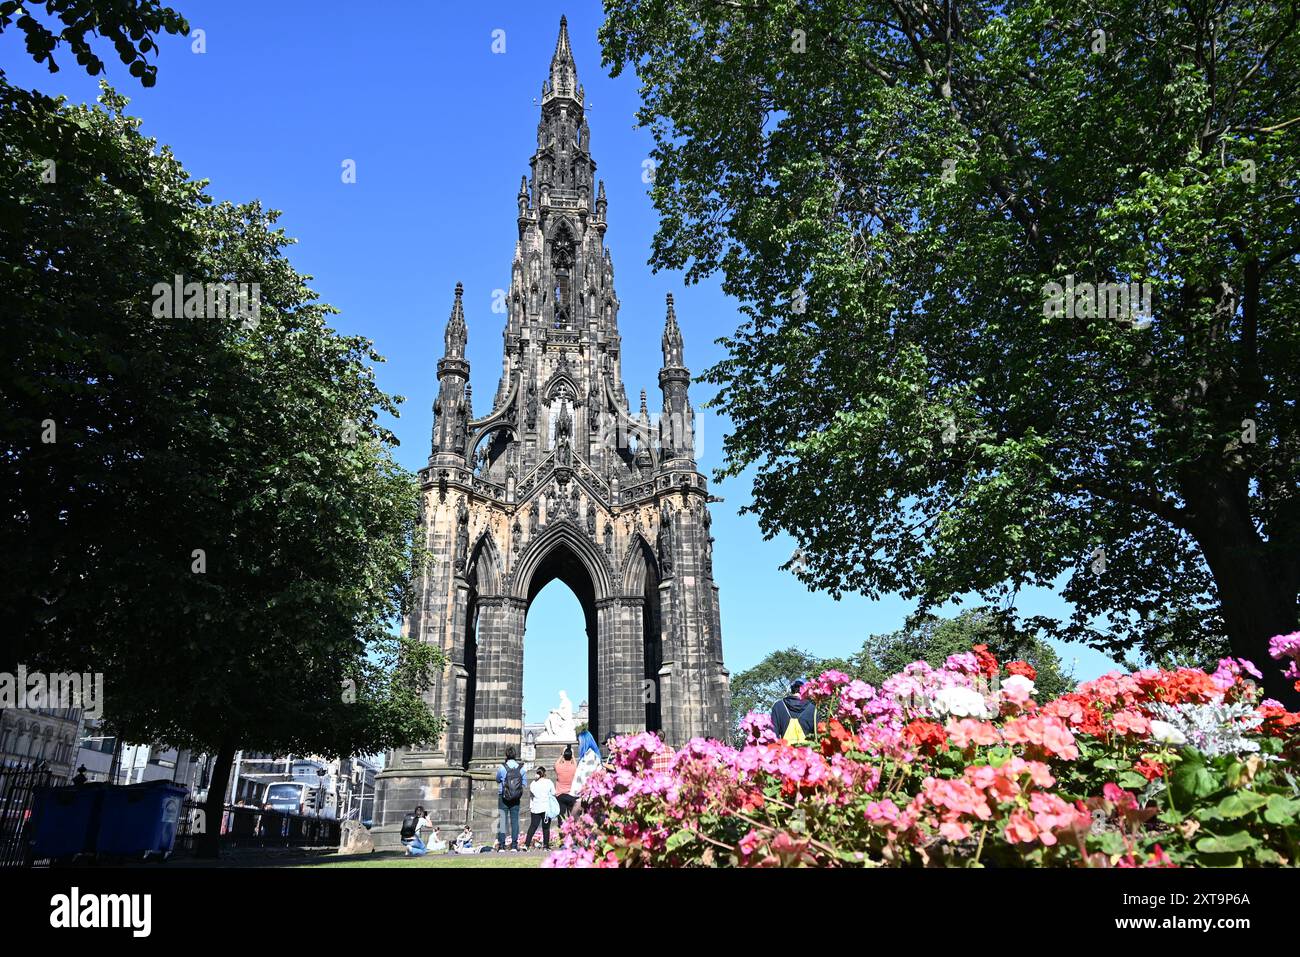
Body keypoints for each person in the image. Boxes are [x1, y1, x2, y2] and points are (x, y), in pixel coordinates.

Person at [495, 745, 527, 851]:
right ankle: (514, 845)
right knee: (514, 821)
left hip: (503, 796)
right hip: (516, 797)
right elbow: (524, 783)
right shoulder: (521, 768)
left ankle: (502, 845)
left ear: (506, 755)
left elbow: (497, 779)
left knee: (503, 820)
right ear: (515, 755)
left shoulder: (502, 768)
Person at [524, 767, 557, 850]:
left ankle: (526, 844)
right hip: (546, 807)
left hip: (535, 807)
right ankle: (546, 846)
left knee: (533, 826)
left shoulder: (533, 783)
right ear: (544, 773)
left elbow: (531, 796)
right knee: (546, 828)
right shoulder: (548, 782)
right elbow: (553, 793)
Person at [570, 729, 603, 798]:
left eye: (579, 743)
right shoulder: (587, 756)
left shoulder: (590, 756)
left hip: (585, 796)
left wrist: (581, 796)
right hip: (582, 795)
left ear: (584, 743)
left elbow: (586, 778)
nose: (579, 746)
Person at [553, 745, 577, 821]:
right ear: (571, 757)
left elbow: (556, 764)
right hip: (571, 794)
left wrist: (562, 755)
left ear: (564, 756)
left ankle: (561, 826)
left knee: (561, 815)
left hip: (560, 794)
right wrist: (573, 755)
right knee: (573, 816)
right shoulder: (574, 767)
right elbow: (575, 763)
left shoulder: (558, 767)